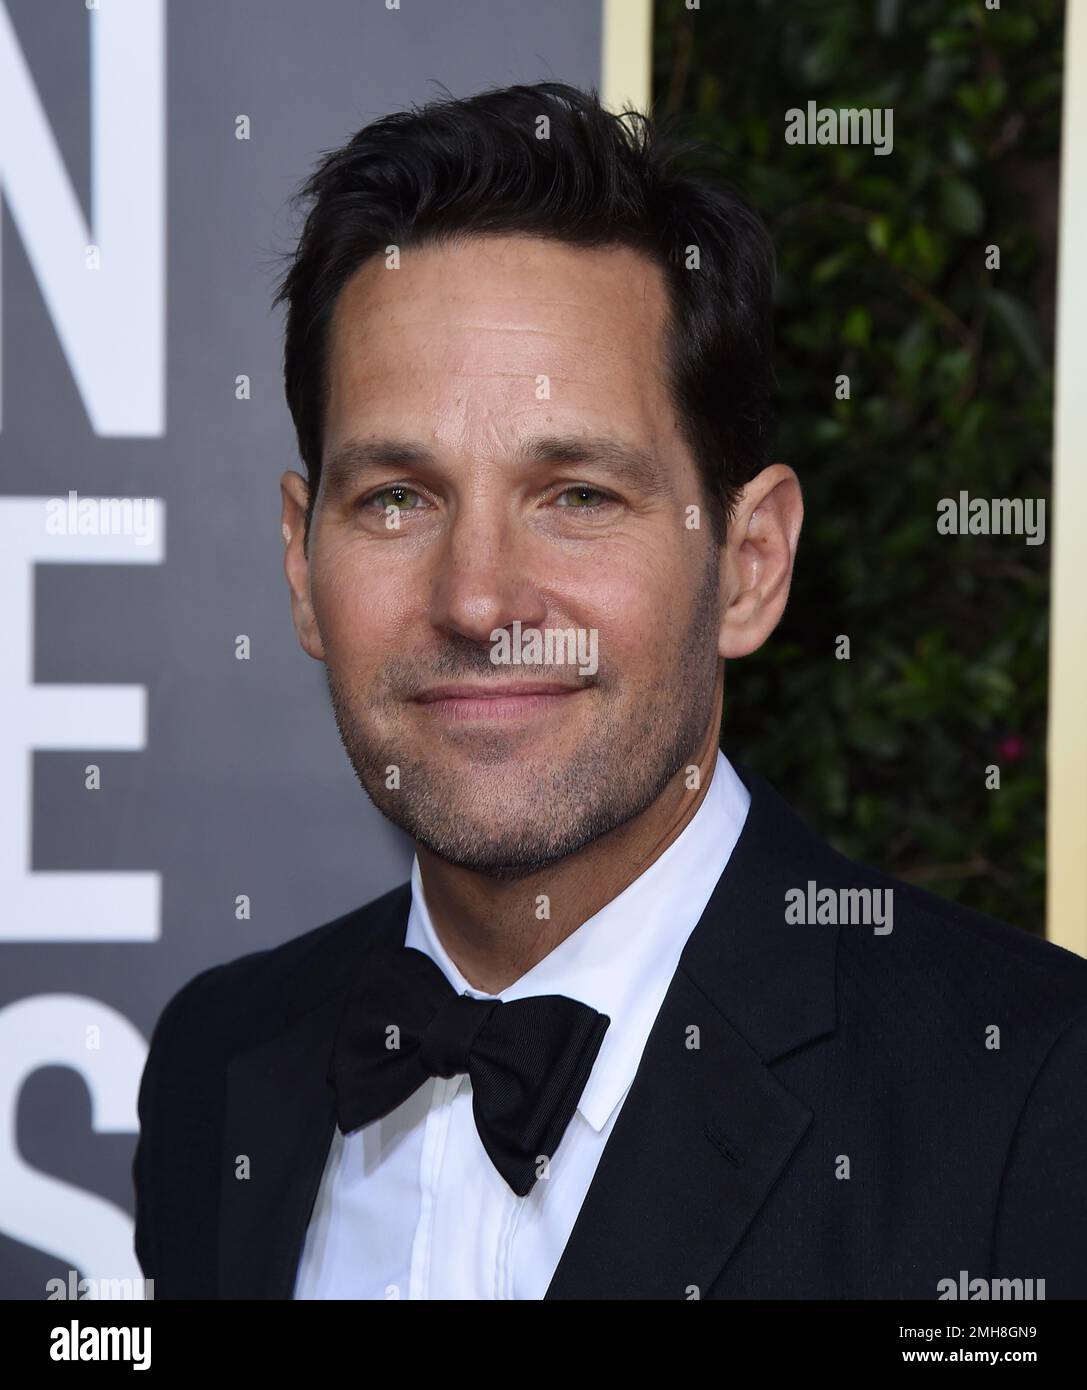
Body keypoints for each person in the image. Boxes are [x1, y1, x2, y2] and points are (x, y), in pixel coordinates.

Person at [132, 80, 1087, 1300]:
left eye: (578, 496)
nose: (477, 601)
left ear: (749, 564)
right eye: (397, 498)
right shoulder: (221, 1064)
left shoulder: (1028, 1107)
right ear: (301, 563)